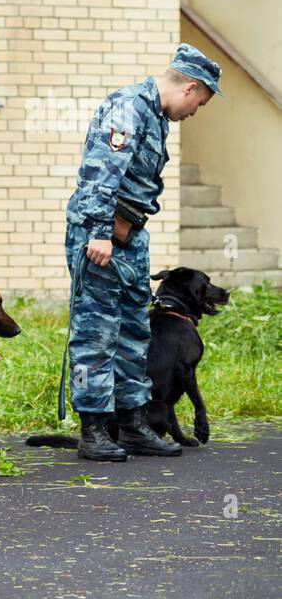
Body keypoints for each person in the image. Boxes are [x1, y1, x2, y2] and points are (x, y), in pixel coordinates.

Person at [64, 43, 221, 462]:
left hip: (130, 235)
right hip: (101, 235)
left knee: (135, 331)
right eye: (200, 103)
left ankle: (133, 423)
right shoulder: (127, 108)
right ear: (190, 88)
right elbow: (100, 173)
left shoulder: (155, 116)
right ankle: (94, 430)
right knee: (97, 333)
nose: (194, 112)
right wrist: (99, 232)